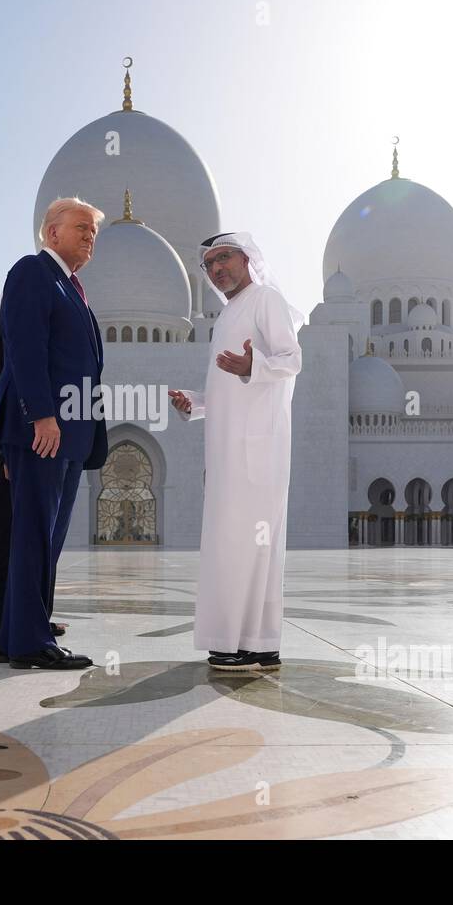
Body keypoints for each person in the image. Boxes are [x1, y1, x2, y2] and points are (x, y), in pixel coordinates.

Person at [169, 232, 302, 671]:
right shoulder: (228, 315)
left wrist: (254, 366)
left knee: (244, 543)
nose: (217, 268)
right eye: (209, 264)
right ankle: (260, 641)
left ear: (247, 258)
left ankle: (233, 641)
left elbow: (291, 358)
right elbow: (227, 387)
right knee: (241, 543)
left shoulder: (264, 299)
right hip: (230, 450)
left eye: (224, 258)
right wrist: (197, 402)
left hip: (256, 448)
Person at [0, 197, 108, 669]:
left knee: (47, 536)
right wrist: (41, 414)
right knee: (36, 533)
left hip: (69, 432)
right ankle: (30, 643)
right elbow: (24, 346)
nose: (89, 235)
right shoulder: (32, 273)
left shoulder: (72, 288)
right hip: (45, 430)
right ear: (51, 233)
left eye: (93, 230)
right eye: (81, 226)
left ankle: (22, 629)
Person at [0, 302, 69, 648]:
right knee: (2, 535)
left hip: (23, 447)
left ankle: (32, 616)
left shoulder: (12, 340)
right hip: (4, 451)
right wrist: (3, 453)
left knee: (31, 535)